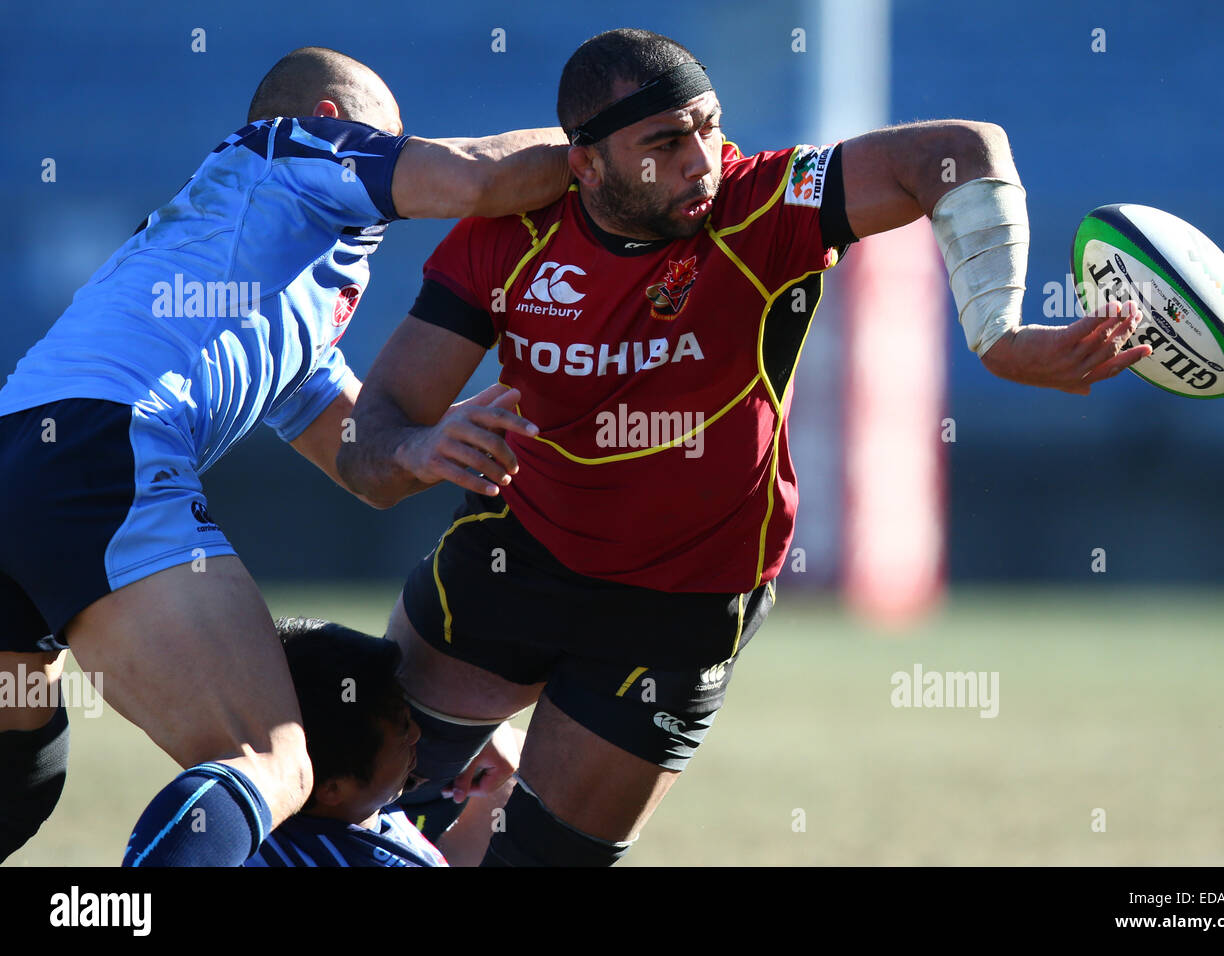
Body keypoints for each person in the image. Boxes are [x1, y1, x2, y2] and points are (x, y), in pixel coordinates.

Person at [337, 28, 1151, 865]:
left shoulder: (763, 205)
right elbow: (370, 444)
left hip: (681, 604)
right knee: (344, 822)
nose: (702, 159)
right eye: (664, 142)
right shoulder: (506, 239)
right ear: (583, 165)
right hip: (515, 559)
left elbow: (958, 151)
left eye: (709, 126)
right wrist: (418, 449)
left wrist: (998, 332)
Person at [0, 46, 570, 865]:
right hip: (99, 451)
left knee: (17, 766)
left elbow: (359, 462)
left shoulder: (274, 282)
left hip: (20, 453)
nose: (395, 158)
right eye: (390, 139)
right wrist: (614, 137)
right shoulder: (282, 150)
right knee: (273, 764)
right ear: (330, 125)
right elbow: (477, 178)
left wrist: (424, 442)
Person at [246, 617, 522, 868]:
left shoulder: (239, 804)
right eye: (403, 729)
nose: (417, 733)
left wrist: (487, 729)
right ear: (333, 789)